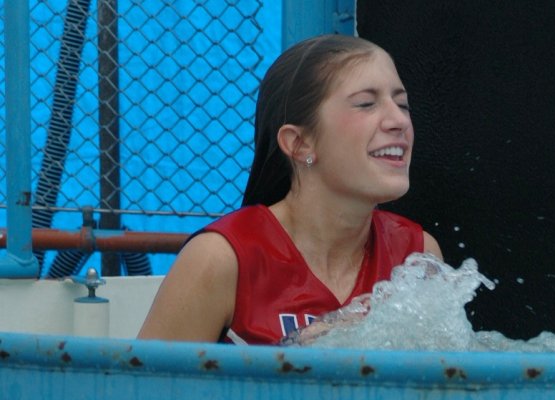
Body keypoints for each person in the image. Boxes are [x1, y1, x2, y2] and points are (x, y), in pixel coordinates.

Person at [138, 33, 442, 345]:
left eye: (402, 104)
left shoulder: (416, 256)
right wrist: (295, 354)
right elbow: (144, 391)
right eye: (366, 104)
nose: (398, 121)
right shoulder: (222, 259)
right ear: (299, 144)